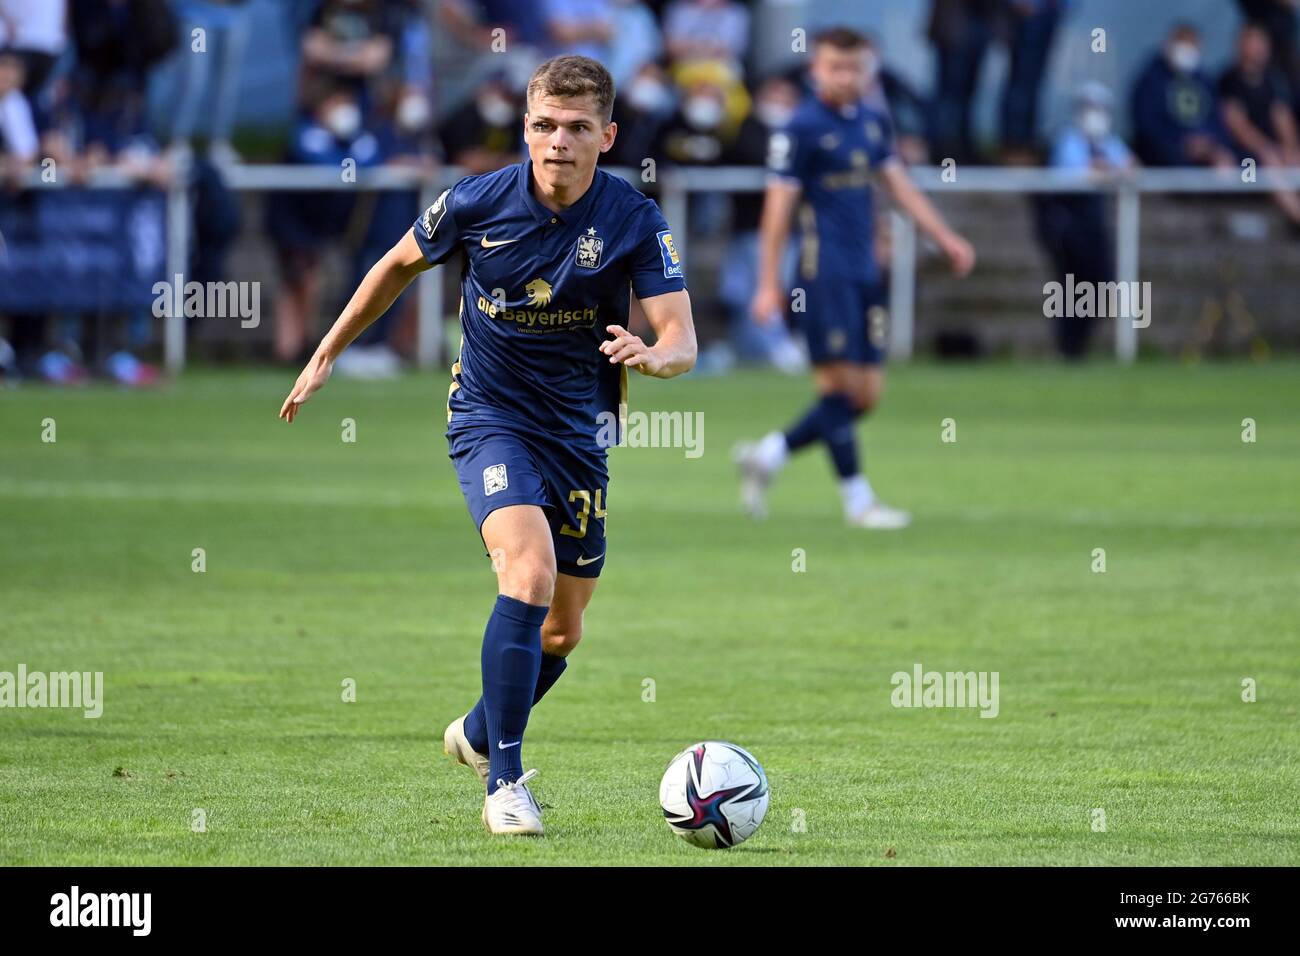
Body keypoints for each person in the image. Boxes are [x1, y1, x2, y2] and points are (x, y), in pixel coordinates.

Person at [278, 55, 696, 835]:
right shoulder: (476, 201)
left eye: (577, 128)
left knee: (563, 632)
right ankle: (504, 782)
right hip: (489, 417)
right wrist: (327, 351)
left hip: (579, 432)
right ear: (526, 127)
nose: (558, 142)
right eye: (544, 125)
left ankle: (474, 732)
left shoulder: (633, 219)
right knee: (527, 571)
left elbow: (681, 338)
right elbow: (396, 264)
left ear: (606, 136)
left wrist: (653, 355)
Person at [734, 27, 975, 529]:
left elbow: (898, 186)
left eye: (855, 67)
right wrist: (766, 283)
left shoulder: (872, 120)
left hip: (868, 272)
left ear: (870, 70)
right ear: (815, 70)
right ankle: (858, 501)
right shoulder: (799, 128)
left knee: (864, 396)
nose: (846, 77)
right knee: (836, 390)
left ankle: (770, 454)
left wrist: (944, 236)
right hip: (824, 276)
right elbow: (777, 211)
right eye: (835, 67)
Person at [1035, 82, 1134, 359]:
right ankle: (1069, 349)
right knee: (1071, 290)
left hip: (1095, 227)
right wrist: (1107, 171)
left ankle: (1077, 346)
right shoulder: (1068, 141)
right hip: (1069, 228)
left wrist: (1108, 170)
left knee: (1100, 286)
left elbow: (1128, 166)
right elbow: (1079, 173)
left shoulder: (1107, 143)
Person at [1219, 21, 1300, 228]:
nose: (1257, 48)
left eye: (1260, 43)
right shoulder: (1230, 81)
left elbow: (1282, 118)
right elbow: (1237, 125)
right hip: (1245, 165)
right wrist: (1266, 149)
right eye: (1252, 42)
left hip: (1273, 155)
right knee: (1268, 161)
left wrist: (1290, 151)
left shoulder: (1273, 80)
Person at [1132, 23, 1236, 169]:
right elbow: (1148, 128)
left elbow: (1217, 121)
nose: (1186, 52)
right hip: (1164, 158)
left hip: (1206, 154)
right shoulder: (1151, 80)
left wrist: (1212, 146)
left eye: (1191, 46)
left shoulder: (1204, 81)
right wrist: (1182, 143)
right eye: (1182, 44)